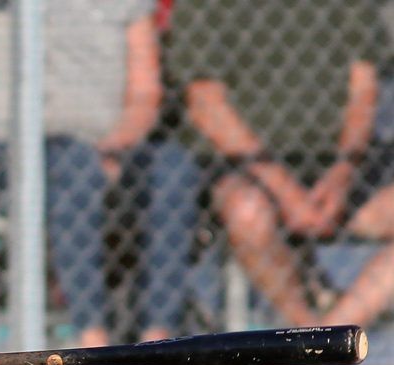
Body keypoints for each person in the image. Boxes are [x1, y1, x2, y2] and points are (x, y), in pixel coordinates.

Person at [0, 0, 200, 346]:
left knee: (174, 168)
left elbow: (145, 94)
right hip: (2, 155)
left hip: (105, 148)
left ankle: (158, 337)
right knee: (74, 165)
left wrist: (116, 146)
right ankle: (92, 336)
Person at [168, 0, 394, 329]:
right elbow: (206, 106)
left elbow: (363, 91)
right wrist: (286, 191)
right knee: (247, 212)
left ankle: (333, 331)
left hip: (338, 163)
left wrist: (342, 174)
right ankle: (304, 332)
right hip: (248, 161)